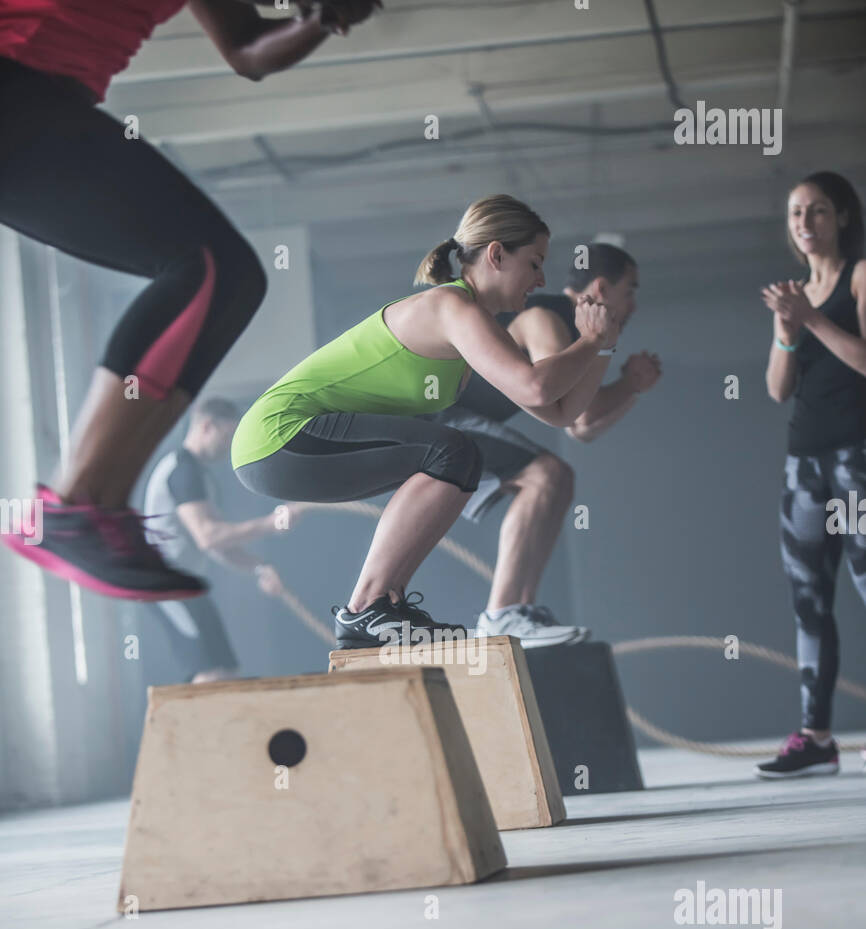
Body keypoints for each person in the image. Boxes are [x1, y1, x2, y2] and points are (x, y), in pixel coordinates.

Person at [0, 0, 381, 601]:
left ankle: (96, 510)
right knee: (203, 266)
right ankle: (74, 508)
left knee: (229, 279)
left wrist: (322, 18)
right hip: (17, 84)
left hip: (44, 101)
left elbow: (247, 49)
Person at [231, 194, 619, 649]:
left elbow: (559, 412)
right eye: (534, 263)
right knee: (452, 451)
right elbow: (536, 387)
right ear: (496, 254)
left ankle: (380, 613)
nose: (541, 279)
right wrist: (588, 342)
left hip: (287, 450)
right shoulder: (451, 308)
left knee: (455, 456)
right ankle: (367, 609)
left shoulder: (478, 329)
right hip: (281, 435)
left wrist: (603, 348)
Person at [431, 241, 662, 646]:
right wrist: (628, 382)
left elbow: (581, 430)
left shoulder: (576, 336)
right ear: (603, 289)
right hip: (438, 420)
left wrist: (632, 390)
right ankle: (502, 614)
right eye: (631, 291)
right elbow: (578, 411)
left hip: (461, 424)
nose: (634, 306)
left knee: (557, 479)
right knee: (547, 476)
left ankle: (518, 611)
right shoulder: (547, 316)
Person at [756, 171, 866, 779]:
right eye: (797, 212)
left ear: (842, 217)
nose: (805, 222)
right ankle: (816, 737)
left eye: (818, 211)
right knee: (809, 600)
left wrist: (814, 319)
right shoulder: (794, 294)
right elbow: (778, 390)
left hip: (858, 457)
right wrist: (786, 329)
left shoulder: (859, 277)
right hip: (805, 462)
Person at [142, 398, 300, 681]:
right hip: (165, 585)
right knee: (210, 673)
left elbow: (218, 546)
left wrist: (259, 567)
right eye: (227, 437)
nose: (229, 448)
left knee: (227, 670)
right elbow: (208, 537)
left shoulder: (201, 476)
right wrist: (271, 523)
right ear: (207, 426)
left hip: (187, 585)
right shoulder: (183, 470)